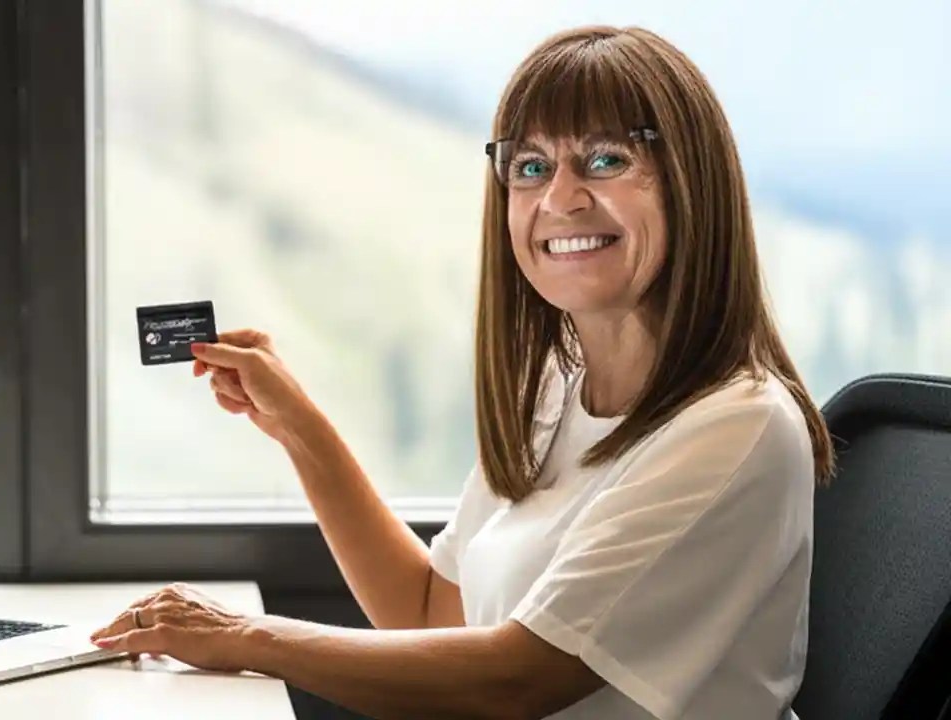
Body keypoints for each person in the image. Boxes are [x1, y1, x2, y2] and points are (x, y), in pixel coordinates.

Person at [90, 24, 834, 720]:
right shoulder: (556, 388)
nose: (561, 198)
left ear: (692, 183)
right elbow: (425, 611)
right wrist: (297, 429)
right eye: (531, 166)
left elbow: (515, 678)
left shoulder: (736, 426)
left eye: (607, 159)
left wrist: (241, 636)